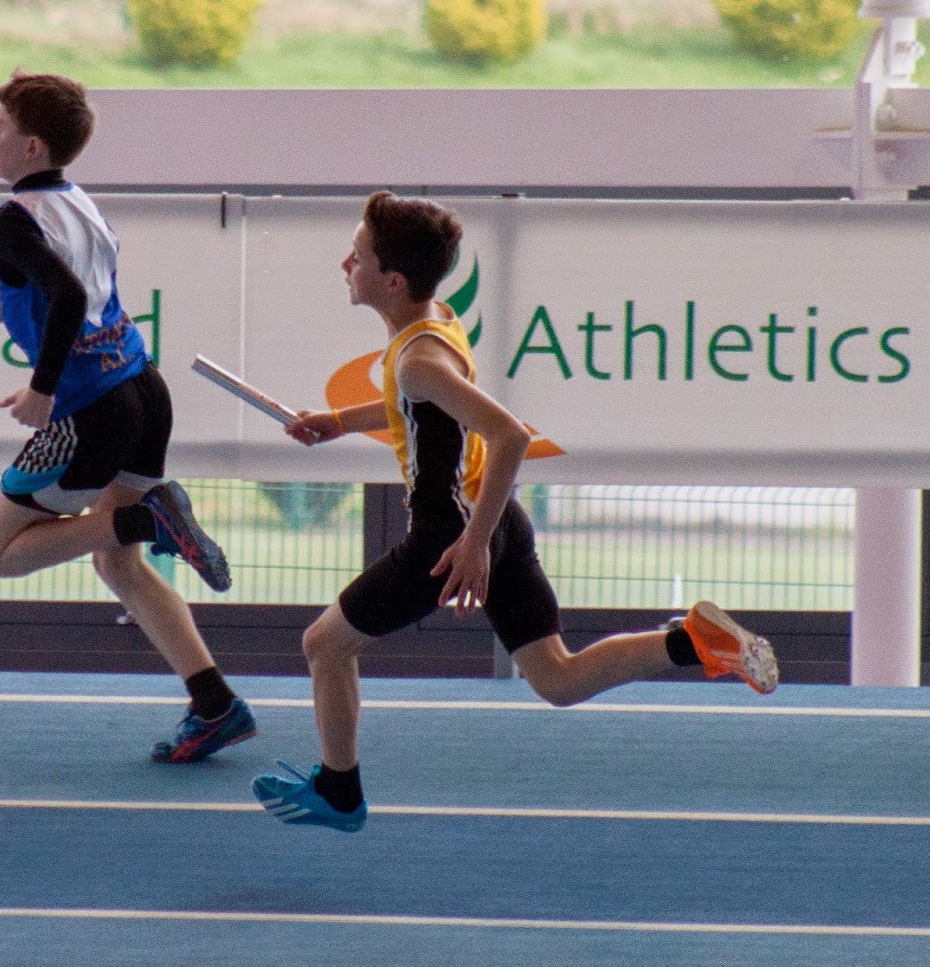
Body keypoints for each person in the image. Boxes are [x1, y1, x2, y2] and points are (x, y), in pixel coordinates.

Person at [252, 191, 778, 832]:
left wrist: (470, 544)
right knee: (557, 679)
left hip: (446, 538)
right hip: (498, 521)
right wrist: (339, 421)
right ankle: (692, 643)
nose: (344, 264)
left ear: (391, 280)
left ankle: (339, 790)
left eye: (356, 256)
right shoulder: (433, 324)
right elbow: (412, 402)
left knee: (324, 645)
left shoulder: (417, 360)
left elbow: (510, 436)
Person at [0, 71, 255, 763]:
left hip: (90, 410)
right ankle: (215, 705)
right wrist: (1, 305)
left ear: (29, 147)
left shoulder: (9, 220)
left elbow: (62, 297)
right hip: (143, 391)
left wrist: (41, 387)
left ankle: (148, 519)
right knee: (118, 567)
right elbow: (83, 293)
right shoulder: (77, 201)